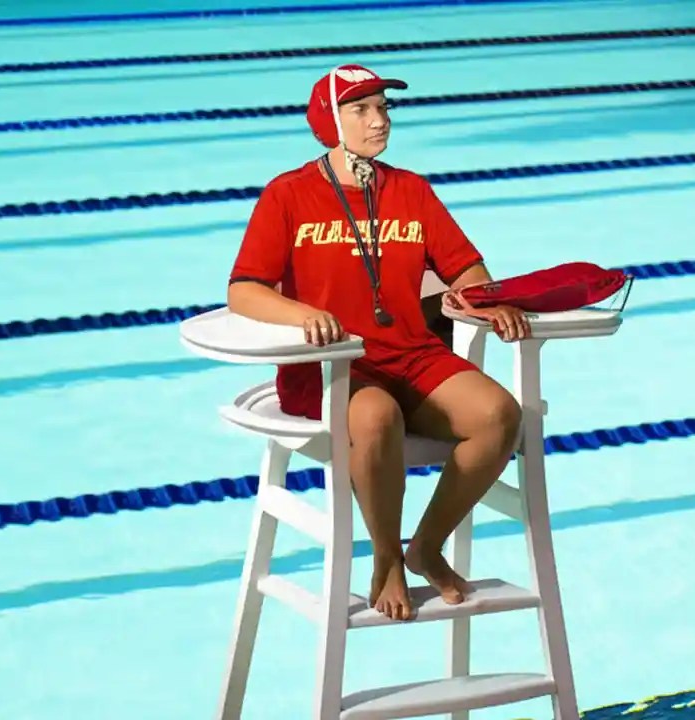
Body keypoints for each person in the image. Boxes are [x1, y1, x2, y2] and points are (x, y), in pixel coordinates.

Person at [226, 64, 531, 622]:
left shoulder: (410, 190)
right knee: (376, 418)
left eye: (383, 108)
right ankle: (386, 556)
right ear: (329, 119)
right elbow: (244, 290)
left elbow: (465, 267)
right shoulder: (288, 195)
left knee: (499, 416)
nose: (379, 120)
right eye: (362, 109)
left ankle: (426, 545)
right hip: (331, 369)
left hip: (411, 355)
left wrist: (491, 300)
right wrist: (303, 314)